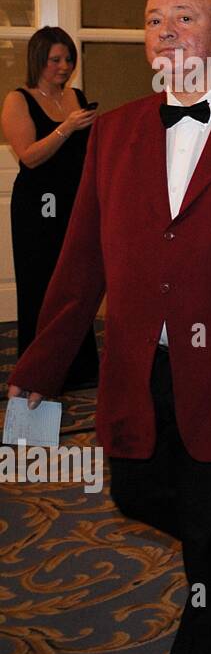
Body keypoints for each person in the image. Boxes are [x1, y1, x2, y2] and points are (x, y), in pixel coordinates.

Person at [7, 0, 211, 654]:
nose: (167, 33)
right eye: (153, 21)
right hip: (139, 367)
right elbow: (79, 262)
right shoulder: (117, 129)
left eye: (185, 19)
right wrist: (37, 367)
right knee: (135, 491)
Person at [3, 28, 98, 386]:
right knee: (41, 286)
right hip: (38, 207)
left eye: (68, 60)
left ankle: (81, 368)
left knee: (76, 283)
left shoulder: (75, 96)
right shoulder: (18, 99)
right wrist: (66, 128)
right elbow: (29, 157)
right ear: (38, 60)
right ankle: (39, 372)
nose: (64, 67)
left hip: (75, 202)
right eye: (55, 60)